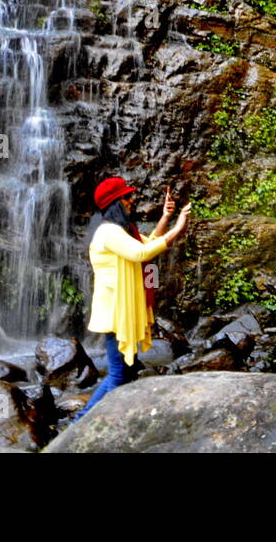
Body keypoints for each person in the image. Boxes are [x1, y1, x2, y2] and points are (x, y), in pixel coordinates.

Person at [73, 176, 189, 421]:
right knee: (118, 374)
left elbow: (146, 244)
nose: (131, 201)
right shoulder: (108, 232)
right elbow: (141, 253)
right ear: (116, 203)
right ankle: (86, 421)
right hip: (116, 314)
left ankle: (87, 418)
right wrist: (177, 229)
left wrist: (166, 218)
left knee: (124, 371)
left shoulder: (120, 232)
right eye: (126, 197)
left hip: (120, 311)